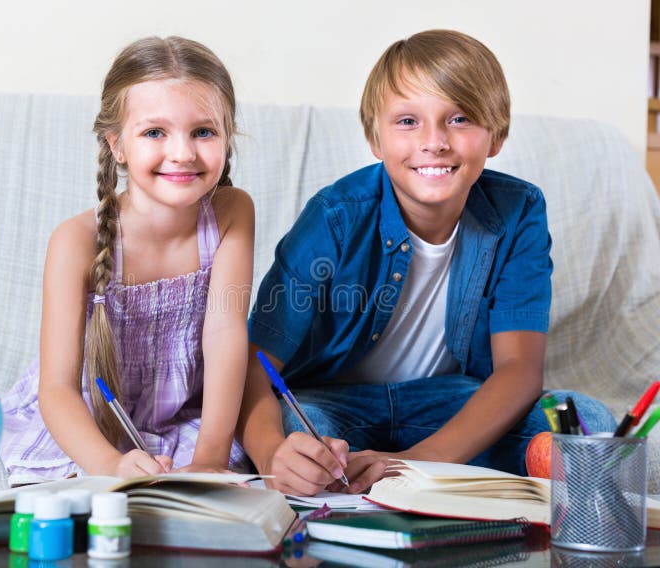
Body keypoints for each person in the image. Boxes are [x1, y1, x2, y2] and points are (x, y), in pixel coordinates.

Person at [236, 29, 616, 496]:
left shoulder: (518, 212)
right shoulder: (334, 218)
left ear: (495, 135)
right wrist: (273, 453)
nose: (434, 141)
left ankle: (403, 468)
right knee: (301, 431)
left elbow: (518, 369)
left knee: (587, 423)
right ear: (375, 138)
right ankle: (376, 467)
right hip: (334, 404)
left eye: (459, 118)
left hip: (450, 401)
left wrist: (417, 462)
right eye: (408, 121)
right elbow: (256, 365)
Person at [0, 36, 255, 485]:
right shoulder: (75, 241)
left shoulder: (233, 213)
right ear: (117, 144)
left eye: (203, 131)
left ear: (227, 135)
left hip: (183, 417)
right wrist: (109, 465)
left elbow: (225, 333)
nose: (183, 152)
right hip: (87, 423)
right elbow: (57, 388)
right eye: (155, 132)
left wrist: (211, 456)